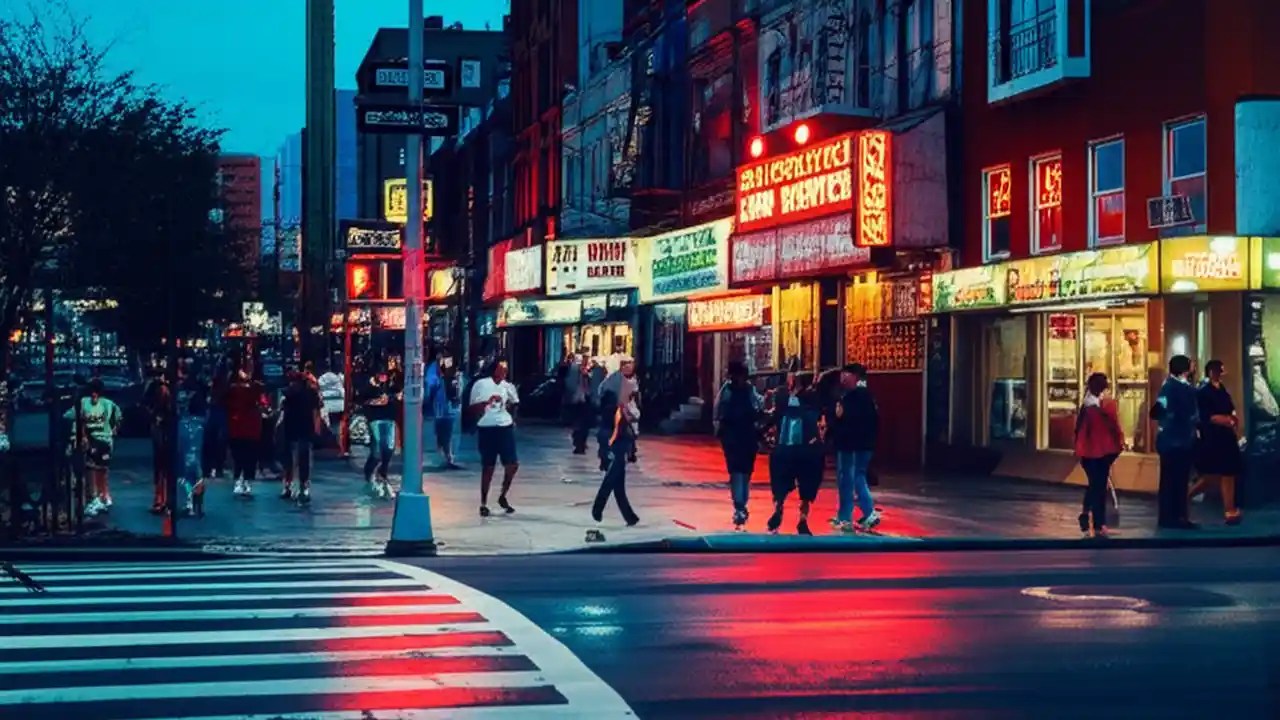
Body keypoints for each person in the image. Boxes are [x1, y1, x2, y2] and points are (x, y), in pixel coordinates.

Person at [763, 372, 824, 535]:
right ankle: (802, 518)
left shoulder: (783, 398)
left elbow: (772, 418)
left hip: (785, 448)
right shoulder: (811, 400)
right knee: (807, 486)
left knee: (780, 483)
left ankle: (779, 508)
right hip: (806, 451)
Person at [831, 363, 882, 532]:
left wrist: (839, 417)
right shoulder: (866, 396)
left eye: (846, 374)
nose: (842, 378)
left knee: (850, 479)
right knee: (856, 476)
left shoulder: (855, 397)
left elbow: (847, 419)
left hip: (851, 445)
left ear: (855, 377)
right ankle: (848, 516)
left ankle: (862, 514)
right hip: (863, 444)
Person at [1191, 359, 1243, 525]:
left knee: (1227, 473)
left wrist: (1232, 420)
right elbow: (1206, 417)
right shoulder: (1203, 392)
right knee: (1213, 475)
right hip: (1213, 438)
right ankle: (1184, 497)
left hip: (1226, 436)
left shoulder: (1222, 390)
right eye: (1219, 371)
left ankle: (1230, 509)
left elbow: (1230, 408)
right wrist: (1224, 420)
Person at [1152, 354, 1199, 529]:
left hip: (1172, 440)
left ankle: (1171, 516)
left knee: (1172, 480)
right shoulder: (1176, 388)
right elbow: (1160, 411)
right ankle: (1176, 516)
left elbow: (1158, 410)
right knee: (1176, 480)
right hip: (1177, 440)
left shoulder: (1169, 386)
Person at [714, 361, 763, 529]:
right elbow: (758, 406)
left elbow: (718, 411)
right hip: (741, 435)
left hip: (738, 436)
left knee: (741, 471)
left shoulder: (730, 390)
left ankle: (740, 506)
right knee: (741, 471)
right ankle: (740, 505)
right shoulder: (743, 391)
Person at [1074, 372, 1124, 537]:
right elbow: (1114, 428)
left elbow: (1079, 431)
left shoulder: (1086, 407)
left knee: (1095, 485)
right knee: (1099, 487)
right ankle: (1098, 522)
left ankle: (1087, 513)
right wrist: (1119, 445)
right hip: (1104, 452)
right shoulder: (1106, 406)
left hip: (1088, 454)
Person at [469, 359, 520, 517]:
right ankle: (483, 502)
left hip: (505, 427)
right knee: (488, 467)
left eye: (506, 369)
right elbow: (472, 406)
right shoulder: (481, 384)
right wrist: (485, 405)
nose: (504, 371)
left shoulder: (508, 386)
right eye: (501, 368)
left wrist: (512, 417)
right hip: (487, 428)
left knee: (512, 464)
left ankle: (503, 495)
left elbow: (515, 402)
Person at [69, 378, 122, 518]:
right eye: (92, 392)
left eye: (96, 393)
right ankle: (95, 498)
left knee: (102, 469)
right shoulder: (83, 403)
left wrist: (114, 429)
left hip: (104, 439)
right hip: (90, 439)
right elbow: (71, 417)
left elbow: (119, 416)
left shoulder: (108, 404)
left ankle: (103, 496)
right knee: (91, 468)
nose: (94, 396)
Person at [592, 377, 641, 527]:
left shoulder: (621, 405)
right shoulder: (616, 407)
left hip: (616, 446)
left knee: (618, 484)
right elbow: (620, 430)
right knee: (612, 480)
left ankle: (630, 517)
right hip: (616, 447)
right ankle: (597, 508)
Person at [281, 369, 324, 503]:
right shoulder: (310, 393)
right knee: (303, 458)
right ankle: (303, 486)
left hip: (292, 427)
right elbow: (316, 410)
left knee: (290, 458)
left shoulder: (288, 393)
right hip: (305, 428)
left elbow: (283, 410)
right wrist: (317, 427)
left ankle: (289, 485)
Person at [360, 366, 401, 498]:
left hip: (389, 417)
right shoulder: (368, 385)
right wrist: (376, 401)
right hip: (375, 418)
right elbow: (362, 400)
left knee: (389, 447)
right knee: (378, 448)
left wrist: (392, 398)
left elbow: (397, 395)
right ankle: (370, 471)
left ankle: (383, 474)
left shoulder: (391, 384)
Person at [226, 365, 266, 497]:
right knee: (241, 456)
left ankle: (245, 480)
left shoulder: (253, 389)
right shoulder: (235, 390)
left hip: (247, 429)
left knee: (247, 456)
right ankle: (240, 480)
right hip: (240, 428)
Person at [596, 357, 639, 471]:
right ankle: (610, 458)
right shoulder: (618, 379)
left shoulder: (623, 379)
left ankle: (611, 458)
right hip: (616, 411)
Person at [142, 371, 174, 514]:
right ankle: (161, 499)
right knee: (162, 466)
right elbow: (146, 404)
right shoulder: (155, 387)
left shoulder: (172, 387)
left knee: (166, 467)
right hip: (161, 429)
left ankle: (165, 499)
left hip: (169, 428)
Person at [427, 354, 463, 469]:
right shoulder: (437, 375)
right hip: (443, 410)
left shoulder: (454, 377)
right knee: (444, 434)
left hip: (447, 410)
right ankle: (446, 457)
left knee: (449, 434)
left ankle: (449, 457)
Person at [178, 386, 209, 516]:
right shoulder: (203, 424)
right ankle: (198, 504)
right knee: (198, 477)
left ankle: (189, 502)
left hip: (187, 455)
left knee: (185, 478)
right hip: (198, 455)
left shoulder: (183, 423)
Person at [563, 351, 591, 454]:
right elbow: (570, 384)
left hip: (584, 400)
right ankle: (579, 443)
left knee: (582, 424)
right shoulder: (575, 369)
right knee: (579, 424)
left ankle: (581, 443)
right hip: (577, 400)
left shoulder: (587, 372)